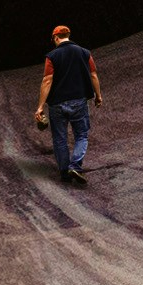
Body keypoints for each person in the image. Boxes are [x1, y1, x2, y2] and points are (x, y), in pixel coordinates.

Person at [32, 25, 101, 182]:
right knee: (82, 135)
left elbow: (47, 80)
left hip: (57, 104)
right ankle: (75, 166)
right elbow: (94, 75)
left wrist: (41, 106)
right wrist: (98, 95)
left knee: (59, 138)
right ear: (68, 35)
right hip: (79, 101)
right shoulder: (85, 53)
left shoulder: (52, 56)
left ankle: (64, 172)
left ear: (56, 38)